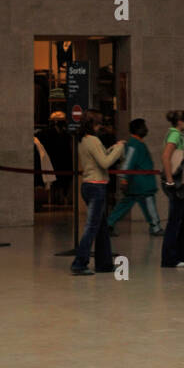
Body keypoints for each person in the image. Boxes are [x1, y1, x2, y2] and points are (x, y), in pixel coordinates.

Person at [70, 114, 126, 276]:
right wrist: (119, 148)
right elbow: (105, 163)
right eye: (100, 124)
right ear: (96, 124)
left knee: (101, 228)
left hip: (88, 185)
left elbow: (99, 158)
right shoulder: (93, 140)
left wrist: (112, 148)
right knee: (92, 227)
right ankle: (79, 263)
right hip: (96, 187)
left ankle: (104, 263)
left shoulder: (82, 140)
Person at [108, 119, 162, 237]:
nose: (146, 129)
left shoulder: (135, 143)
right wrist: (124, 178)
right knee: (149, 204)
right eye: (143, 126)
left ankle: (109, 223)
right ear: (137, 129)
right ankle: (155, 227)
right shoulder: (134, 144)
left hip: (136, 183)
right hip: (142, 184)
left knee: (124, 205)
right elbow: (128, 162)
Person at [161, 109, 184, 268]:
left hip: (180, 181)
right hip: (174, 181)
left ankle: (181, 255)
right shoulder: (174, 135)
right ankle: (169, 258)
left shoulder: (180, 136)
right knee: (175, 219)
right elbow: (166, 156)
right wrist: (169, 180)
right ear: (180, 122)